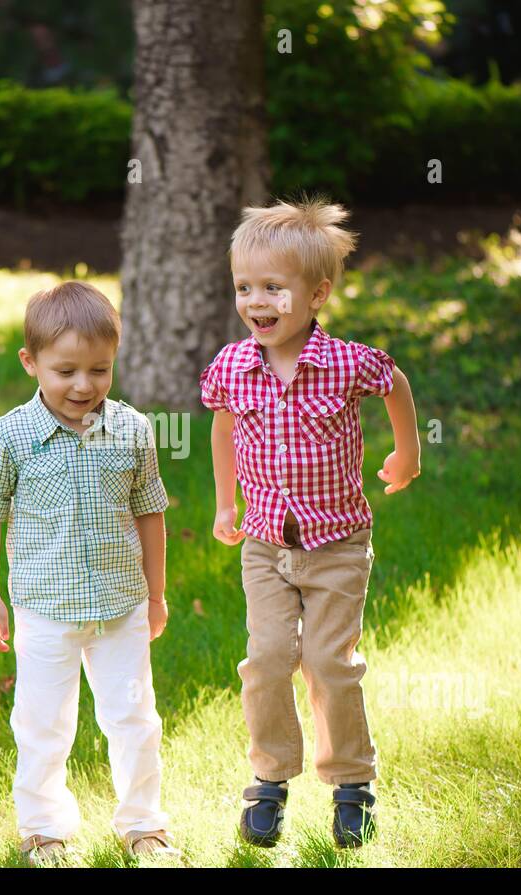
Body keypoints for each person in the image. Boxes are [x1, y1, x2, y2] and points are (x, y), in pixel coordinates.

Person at [199, 197, 421, 849]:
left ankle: (352, 784)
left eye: (273, 287)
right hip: (267, 545)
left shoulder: (347, 363)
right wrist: (224, 502)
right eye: (245, 287)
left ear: (317, 293)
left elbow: (395, 382)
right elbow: (224, 426)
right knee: (268, 658)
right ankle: (269, 779)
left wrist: (407, 453)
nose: (256, 301)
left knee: (328, 661)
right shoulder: (235, 367)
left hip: (338, 546)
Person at [0, 280, 179, 865]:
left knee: (134, 716)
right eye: (65, 371)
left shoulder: (133, 430)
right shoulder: (11, 436)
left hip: (121, 606)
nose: (83, 385)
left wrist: (156, 595)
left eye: (99, 369)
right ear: (30, 363)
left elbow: (150, 514)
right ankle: (43, 829)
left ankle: (143, 825)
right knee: (42, 722)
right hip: (44, 609)